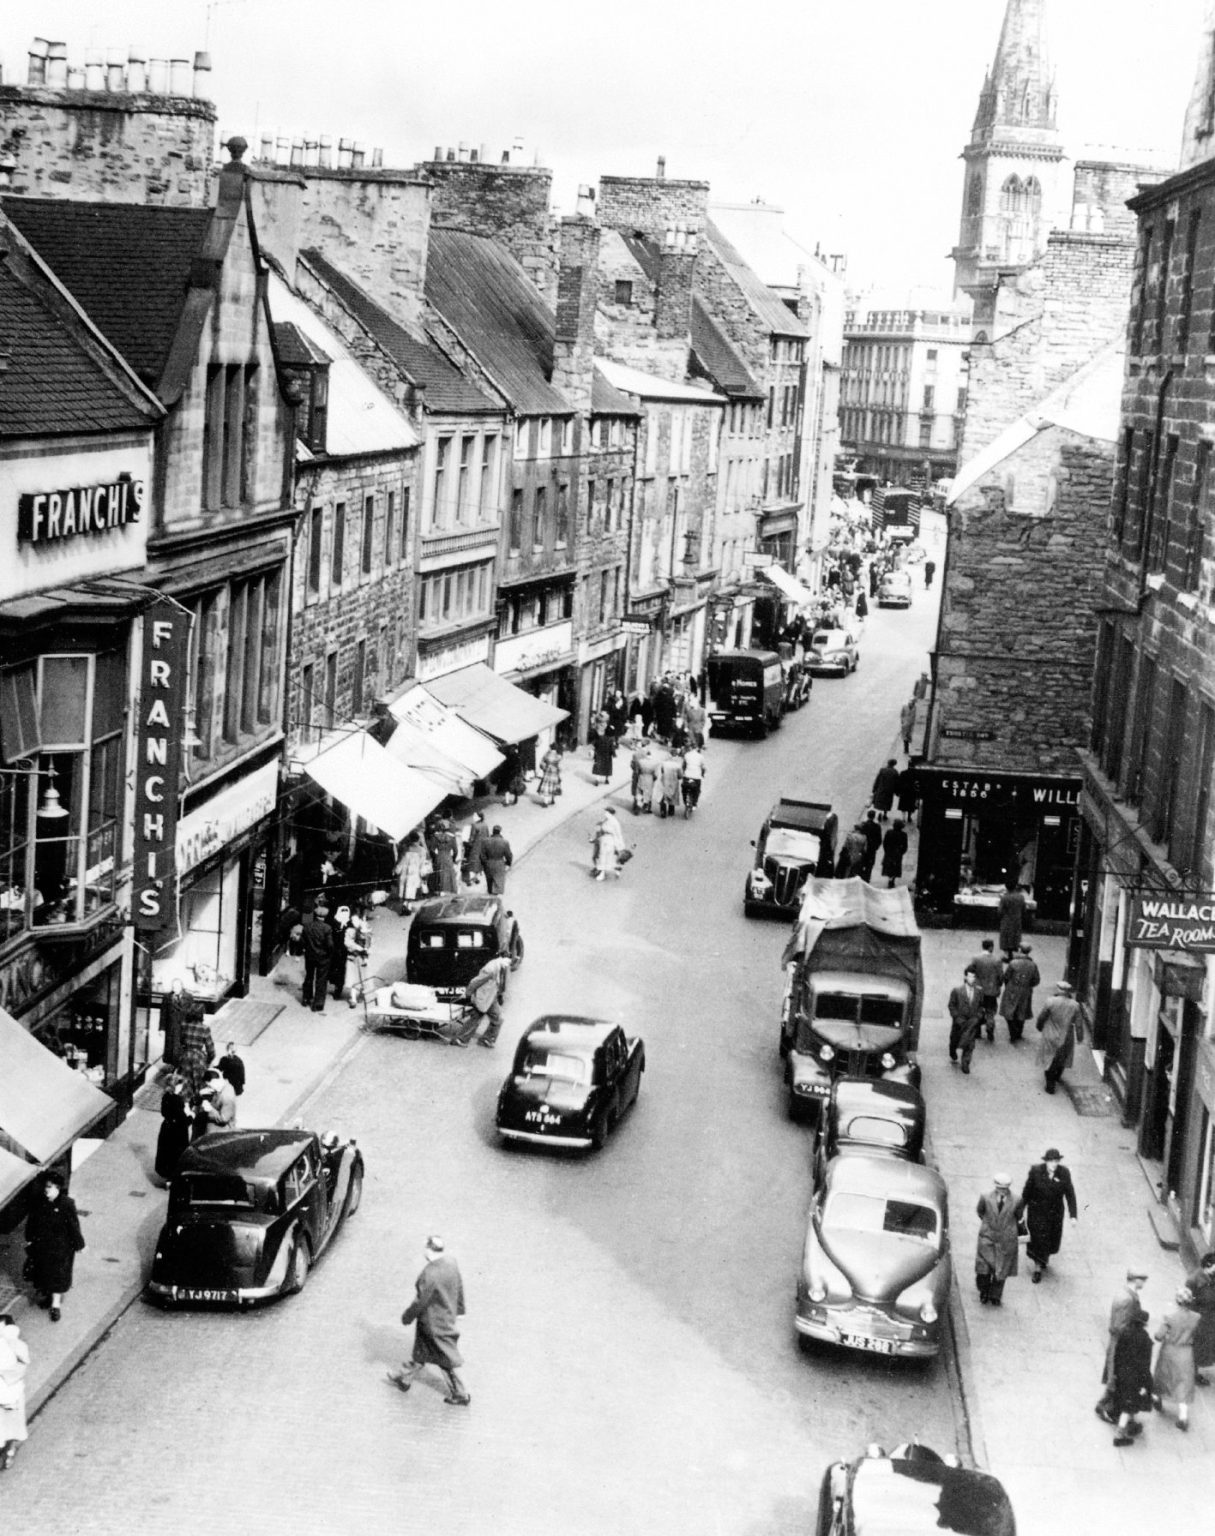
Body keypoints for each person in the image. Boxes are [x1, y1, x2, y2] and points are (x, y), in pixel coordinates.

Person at [388, 1236, 470, 1405]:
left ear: (429, 1249)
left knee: (444, 1359)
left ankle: (460, 1394)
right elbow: (459, 1286)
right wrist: (460, 1310)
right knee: (422, 1352)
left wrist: (407, 1317)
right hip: (445, 1318)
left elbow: (420, 1301)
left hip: (431, 1323)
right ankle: (404, 1379)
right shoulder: (451, 1262)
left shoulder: (430, 1273)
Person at [24, 1173, 85, 1322]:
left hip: (60, 1249)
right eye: (45, 1186)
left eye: (49, 1187)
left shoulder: (66, 1204)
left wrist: (79, 1244)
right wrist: (30, 1239)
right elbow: (31, 1222)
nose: (46, 1190)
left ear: (57, 1188)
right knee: (44, 1274)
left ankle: (55, 1306)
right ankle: (48, 1297)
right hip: (42, 1246)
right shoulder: (39, 1203)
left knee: (58, 1277)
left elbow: (73, 1226)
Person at [1097, 1269, 1149, 1422]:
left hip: (1123, 1342)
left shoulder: (1128, 1295)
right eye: (1142, 1278)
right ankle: (1107, 1409)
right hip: (1122, 1344)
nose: (1144, 1282)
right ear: (1135, 1279)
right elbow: (1118, 1326)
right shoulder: (1126, 1299)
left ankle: (1103, 1404)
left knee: (1117, 1376)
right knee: (1117, 1376)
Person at [1018, 1148, 1077, 1282]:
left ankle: (1044, 1258)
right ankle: (1037, 1268)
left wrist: (1073, 1215)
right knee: (1038, 1240)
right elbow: (1027, 1192)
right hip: (1037, 1213)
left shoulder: (1064, 1173)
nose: (1054, 1164)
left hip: (1054, 1214)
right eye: (1051, 1161)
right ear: (1046, 1162)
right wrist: (1020, 1210)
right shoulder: (1036, 1172)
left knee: (1051, 1240)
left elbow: (1070, 1194)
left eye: (1056, 1161)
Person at [1153, 1287, 1198, 1431]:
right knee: (1184, 1383)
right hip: (1186, 1353)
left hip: (1170, 1351)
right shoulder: (1196, 1317)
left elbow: (1158, 1336)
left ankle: (1157, 1398)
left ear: (1177, 1300)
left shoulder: (1170, 1317)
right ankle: (1183, 1417)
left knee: (1163, 1377)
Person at [1110, 1308, 1154, 1447]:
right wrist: (1146, 1383)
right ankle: (1119, 1434)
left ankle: (1131, 1423)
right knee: (1128, 1406)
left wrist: (1116, 1373)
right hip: (1135, 1377)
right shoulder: (1145, 1339)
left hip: (1122, 1374)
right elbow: (1145, 1364)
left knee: (1125, 1401)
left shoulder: (1125, 1334)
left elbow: (1117, 1356)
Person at [449, 954, 512, 1049]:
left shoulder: (501, 966)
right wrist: (468, 993)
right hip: (482, 998)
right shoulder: (490, 969)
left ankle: (487, 1039)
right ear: (501, 958)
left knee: (498, 1019)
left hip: (491, 996)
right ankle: (459, 1039)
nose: (508, 963)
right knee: (476, 1019)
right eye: (507, 961)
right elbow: (475, 982)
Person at [975, 1174, 1019, 1306]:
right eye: (1000, 1188)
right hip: (988, 1237)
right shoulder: (985, 1197)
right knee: (983, 1270)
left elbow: (1018, 1216)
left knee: (1001, 1269)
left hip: (1006, 1239)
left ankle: (995, 1295)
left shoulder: (1017, 1200)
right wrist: (989, 1225)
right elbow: (980, 1211)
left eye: (1005, 1188)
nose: (1003, 1191)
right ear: (995, 1187)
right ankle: (984, 1290)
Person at [1036, 980, 1083, 1095]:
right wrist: (1080, 1037)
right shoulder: (1075, 1005)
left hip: (1050, 1033)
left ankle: (1050, 1084)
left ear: (1058, 990)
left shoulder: (1050, 1002)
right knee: (1062, 1057)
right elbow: (1079, 1024)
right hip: (1066, 1035)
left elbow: (1042, 1017)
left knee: (1049, 1057)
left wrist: (1039, 1027)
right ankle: (1057, 1076)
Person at [0, 1315, 30, 1471]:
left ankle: (9, 1450)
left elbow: (21, 1367)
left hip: (13, 1395)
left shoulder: (18, 1346)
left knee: (13, 1425)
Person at [155, 1073, 193, 1182]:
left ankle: (168, 1178)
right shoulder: (177, 1101)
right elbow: (184, 1121)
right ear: (175, 1086)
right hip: (177, 1132)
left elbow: (164, 1112)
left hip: (167, 1129)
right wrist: (191, 1116)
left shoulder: (166, 1096)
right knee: (177, 1155)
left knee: (167, 1154)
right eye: (180, 1085)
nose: (181, 1087)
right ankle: (174, 1179)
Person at [1184, 1249, 1215, 1386]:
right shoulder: (1193, 1280)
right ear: (1208, 1265)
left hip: (1210, 1319)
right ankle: (1192, 1374)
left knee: (1205, 1348)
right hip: (1199, 1320)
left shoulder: (1211, 1278)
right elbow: (1187, 1303)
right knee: (1196, 1348)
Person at [999, 944, 1040, 1044]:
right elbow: (1036, 980)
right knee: (1022, 1011)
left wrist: (1008, 985)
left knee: (1009, 1010)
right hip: (1026, 991)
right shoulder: (1033, 965)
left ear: (1020, 951)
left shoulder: (1013, 963)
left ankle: (1013, 1032)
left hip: (1012, 989)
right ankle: (1018, 1032)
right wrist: (1028, 985)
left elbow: (1006, 976)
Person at [947, 965, 984, 1074]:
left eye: (974, 977)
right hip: (959, 1022)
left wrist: (978, 1016)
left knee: (970, 1044)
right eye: (969, 976)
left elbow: (981, 1006)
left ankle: (965, 1063)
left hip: (972, 1022)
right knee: (955, 1040)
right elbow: (951, 1005)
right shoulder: (957, 991)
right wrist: (956, 1017)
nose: (971, 979)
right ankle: (952, 1051)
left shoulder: (979, 991)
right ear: (965, 977)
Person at [300, 901, 336, 1012]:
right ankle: (318, 1004)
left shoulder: (307, 927)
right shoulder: (327, 928)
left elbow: (302, 942)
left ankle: (306, 998)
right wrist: (330, 953)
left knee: (309, 976)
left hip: (310, 955)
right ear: (325, 916)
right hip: (323, 957)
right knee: (321, 979)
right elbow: (330, 944)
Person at [970, 939, 1003, 1042]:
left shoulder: (976, 958)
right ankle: (990, 1028)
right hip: (991, 991)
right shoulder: (997, 960)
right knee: (990, 1011)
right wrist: (998, 985)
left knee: (977, 1010)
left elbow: (970, 972)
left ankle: (977, 1031)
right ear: (991, 947)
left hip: (978, 989)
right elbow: (1000, 977)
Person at [159, 977, 196, 1069]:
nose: (174, 989)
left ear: (181, 987)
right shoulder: (167, 997)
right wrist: (161, 1028)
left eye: (176, 987)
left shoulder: (189, 997)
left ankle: (181, 1066)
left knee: (182, 1047)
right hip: (171, 1027)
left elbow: (192, 1013)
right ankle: (174, 1066)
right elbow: (163, 1014)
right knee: (172, 1048)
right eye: (173, 987)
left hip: (184, 1027)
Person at [196, 1066, 237, 1136]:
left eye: (210, 1085)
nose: (210, 1087)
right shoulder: (220, 1087)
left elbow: (224, 1118)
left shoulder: (227, 1096)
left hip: (220, 1134)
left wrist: (210, 1109)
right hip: (214, 1130)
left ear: (215, 1081)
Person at [394, 831, 430, 907]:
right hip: (414, 873)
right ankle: (408, 906)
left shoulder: (406, 849)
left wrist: (397, 870)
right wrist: (423, 873)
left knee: (404, 889)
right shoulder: (422, 850)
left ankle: (405, 905)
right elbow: (422, 864)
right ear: (418, 839)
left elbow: (401, 861)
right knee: (411, 890)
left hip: (405, 873)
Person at [591, 808, 626, 880]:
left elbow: (618, 833)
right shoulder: (605, 820)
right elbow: (600, 828)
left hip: (610, 840)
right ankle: (607, 870)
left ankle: (602, 873)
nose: (605, 813)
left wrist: (620, 844)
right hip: (603, 839)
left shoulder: (615, 822)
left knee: (605, 856)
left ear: (610, 813)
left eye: (606, 812)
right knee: (602, 856)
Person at [478, 826, 513, 895]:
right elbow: (509, 855)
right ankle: (494, 901)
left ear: (493, 831)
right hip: (499, 864)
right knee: (498, 884)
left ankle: (491, 898)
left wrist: (485, 864)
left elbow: (482, 855)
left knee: (490, 884)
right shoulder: (505, 842)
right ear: (500, 832)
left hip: (489, 863)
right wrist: (508, 863)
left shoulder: (485, 841)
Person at [997, 880, 1027, 960]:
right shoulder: (1021, 897)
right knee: (1015, 937)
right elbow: (1024, 910)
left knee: (1006, 937)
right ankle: (1014, 953)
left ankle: (1007, 955)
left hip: (1006, 920)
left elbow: (1000, 911)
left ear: (1006, 887)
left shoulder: (1004, 897)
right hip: (1017, 920)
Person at [430, 819, 460, 892]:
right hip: (448, 856)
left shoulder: (435, 836)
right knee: (449, 875)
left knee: (439, 874)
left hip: (439, 856)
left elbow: (432, 849)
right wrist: (453, 858)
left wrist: (435, 857)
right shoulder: (452, 837)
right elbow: (456, 851)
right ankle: (449, 890)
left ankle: (439, 890)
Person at [880, 818, 908, 887]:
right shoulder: (903, 834)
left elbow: (885, 843)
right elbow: (905, 846)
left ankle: (890, 878)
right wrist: (901, 852)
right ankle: (893, 878)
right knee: (896, 867)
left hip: (889, 852)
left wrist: (886, 851)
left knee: (889, 866)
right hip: (898, 853)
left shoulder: (889, 832)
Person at [460, 814, 486, 886]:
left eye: (475, 816)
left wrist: (468, 843)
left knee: (471, 862)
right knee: (478, 862)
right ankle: (475, 877)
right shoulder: (485, 825)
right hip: (482, 846)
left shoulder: (474, 825)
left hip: (475, 846)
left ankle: (470, 879)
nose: (474, 817)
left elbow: (472, 837)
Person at [680, 745, 705, 817]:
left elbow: (683, 766)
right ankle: (694, 803)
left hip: (687, 776)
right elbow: (703, 768)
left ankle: (685, 801)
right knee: (697, 790)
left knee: (684, 789)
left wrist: (684, 772)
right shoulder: (701, 757)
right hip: (696, 777)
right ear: (696, 749)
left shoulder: (686, 755)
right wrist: (702, 774)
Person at [859, 810, 882, 881]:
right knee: (869, 866)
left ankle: (861, 877)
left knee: (861, 863)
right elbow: (879, 839)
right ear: (874, 816)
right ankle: (867, 879)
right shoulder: (877, 826)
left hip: (863, 848)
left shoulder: (863, 825)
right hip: (872, 849)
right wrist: (876, 847)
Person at [658, 754, 682, 820]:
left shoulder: (664, 763)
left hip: (665, 780)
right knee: (673, 794)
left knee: (664, 795)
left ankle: (663, 811)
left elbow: (662, 771)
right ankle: (671, 810)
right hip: (674, 781)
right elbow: (680, 775)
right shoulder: (678, 765)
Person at [895, 761, 919, 826]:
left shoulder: (903, 773)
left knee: (903, 805)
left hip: (904, 792)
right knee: (911, 805)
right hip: (912, 792)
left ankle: (903, 818)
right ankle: (909, 817)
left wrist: (897, 792)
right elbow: (918, 784)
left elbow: (899, 783)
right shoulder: (916, 773)